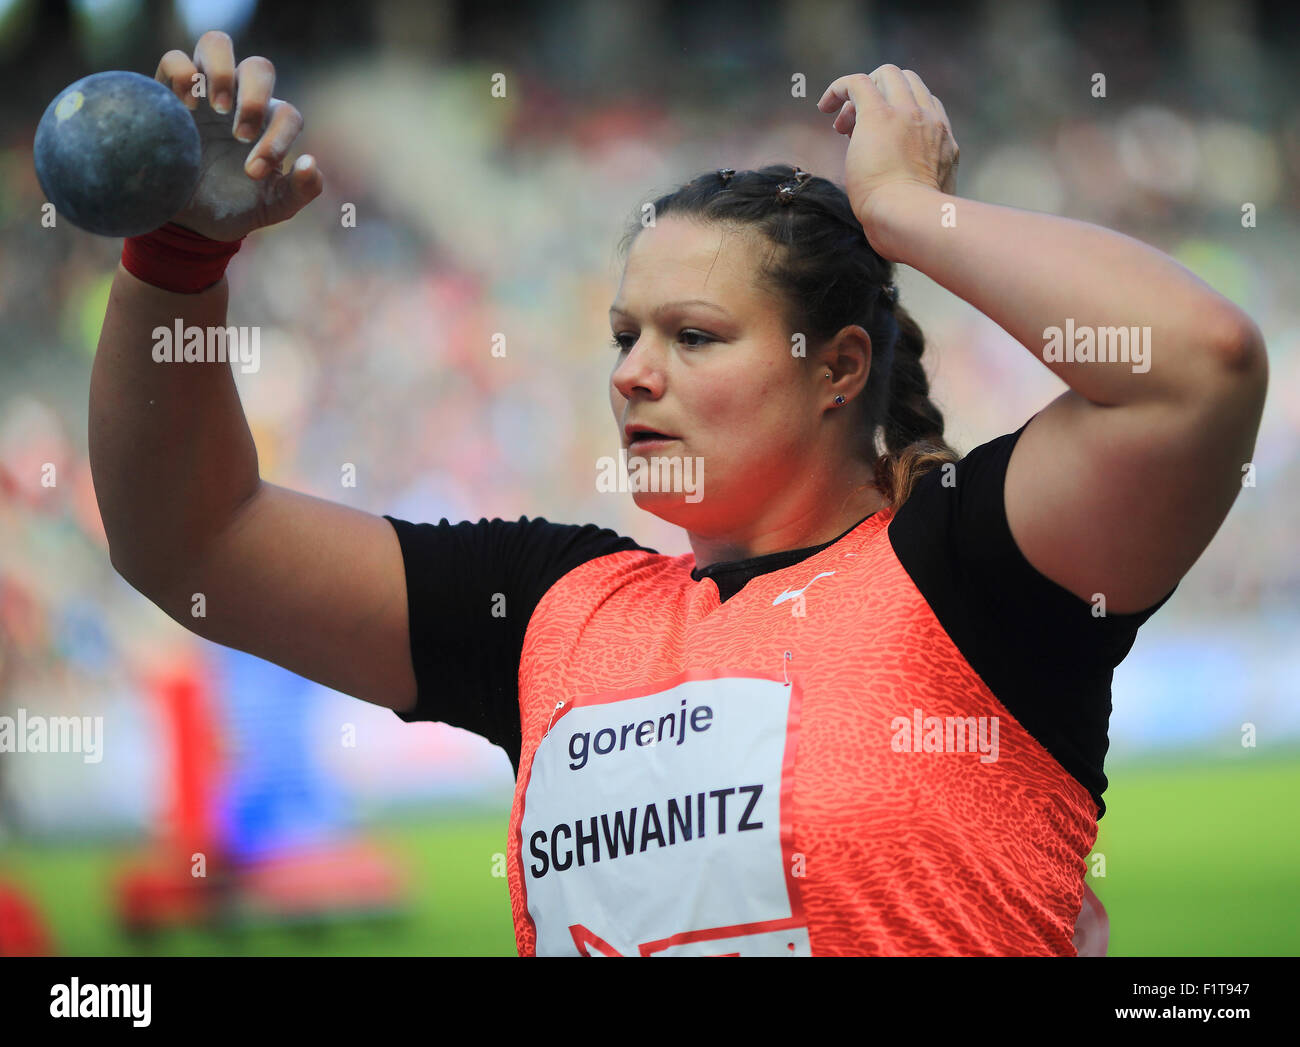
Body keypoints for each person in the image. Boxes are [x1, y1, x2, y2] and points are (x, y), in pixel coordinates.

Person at [90, 34, 1268, 956]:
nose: (632, 373)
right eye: (622, 336)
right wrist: (180, 263)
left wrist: (907, 216)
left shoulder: (971, 571)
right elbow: (195, 539)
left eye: (694, 336)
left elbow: (1193, 369)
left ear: (839, 368)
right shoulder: (549, 608)